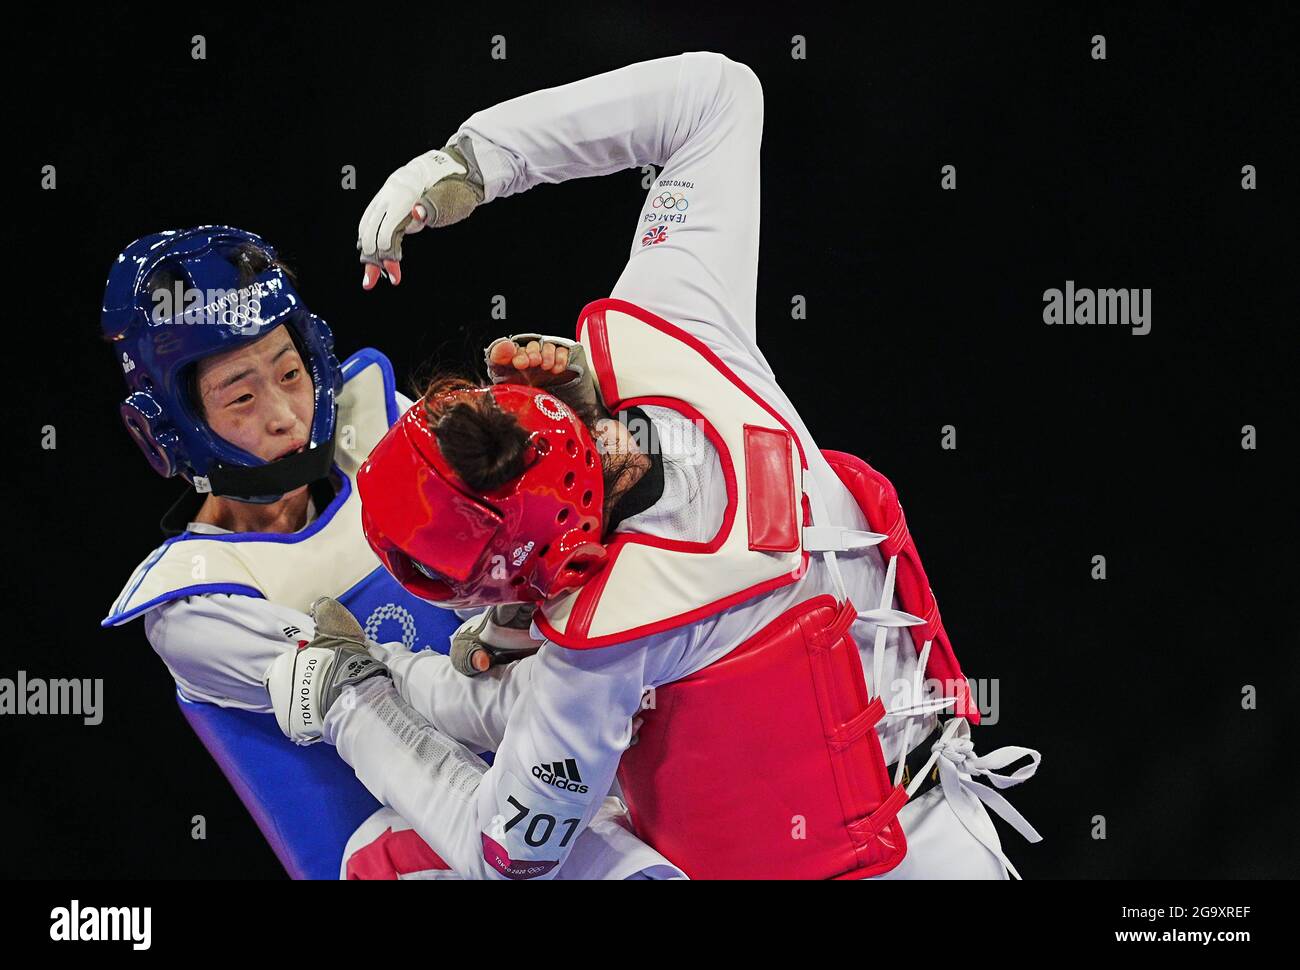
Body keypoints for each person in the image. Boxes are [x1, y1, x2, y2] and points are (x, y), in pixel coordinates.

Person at [284, 51, 1042, 880]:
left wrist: (357, 704)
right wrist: (475, 159)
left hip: (861, 857)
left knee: (383, 856)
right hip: (958, 832)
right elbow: (717, 93)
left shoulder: (608, 645)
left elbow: (507, 854)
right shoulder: (679, 328)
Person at [101, 225, 680, 880]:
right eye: (241, 396)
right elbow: (389, 701)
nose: (286, 415)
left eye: (290, 373)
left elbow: (538, 572)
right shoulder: (192, 602)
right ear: (169, 429)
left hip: (539, 793)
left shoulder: (380, 432)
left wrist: (560, 436)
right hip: (393, 851)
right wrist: (567, 706)